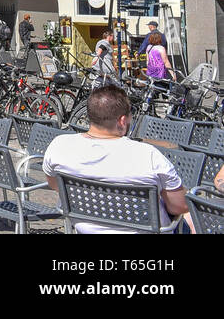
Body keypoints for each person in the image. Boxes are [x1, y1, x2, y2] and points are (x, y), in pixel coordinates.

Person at [42, 85, 187, 233]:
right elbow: (179, 206)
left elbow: (56, 186)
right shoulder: (149, 155)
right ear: (122, 121)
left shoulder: (59, 145)